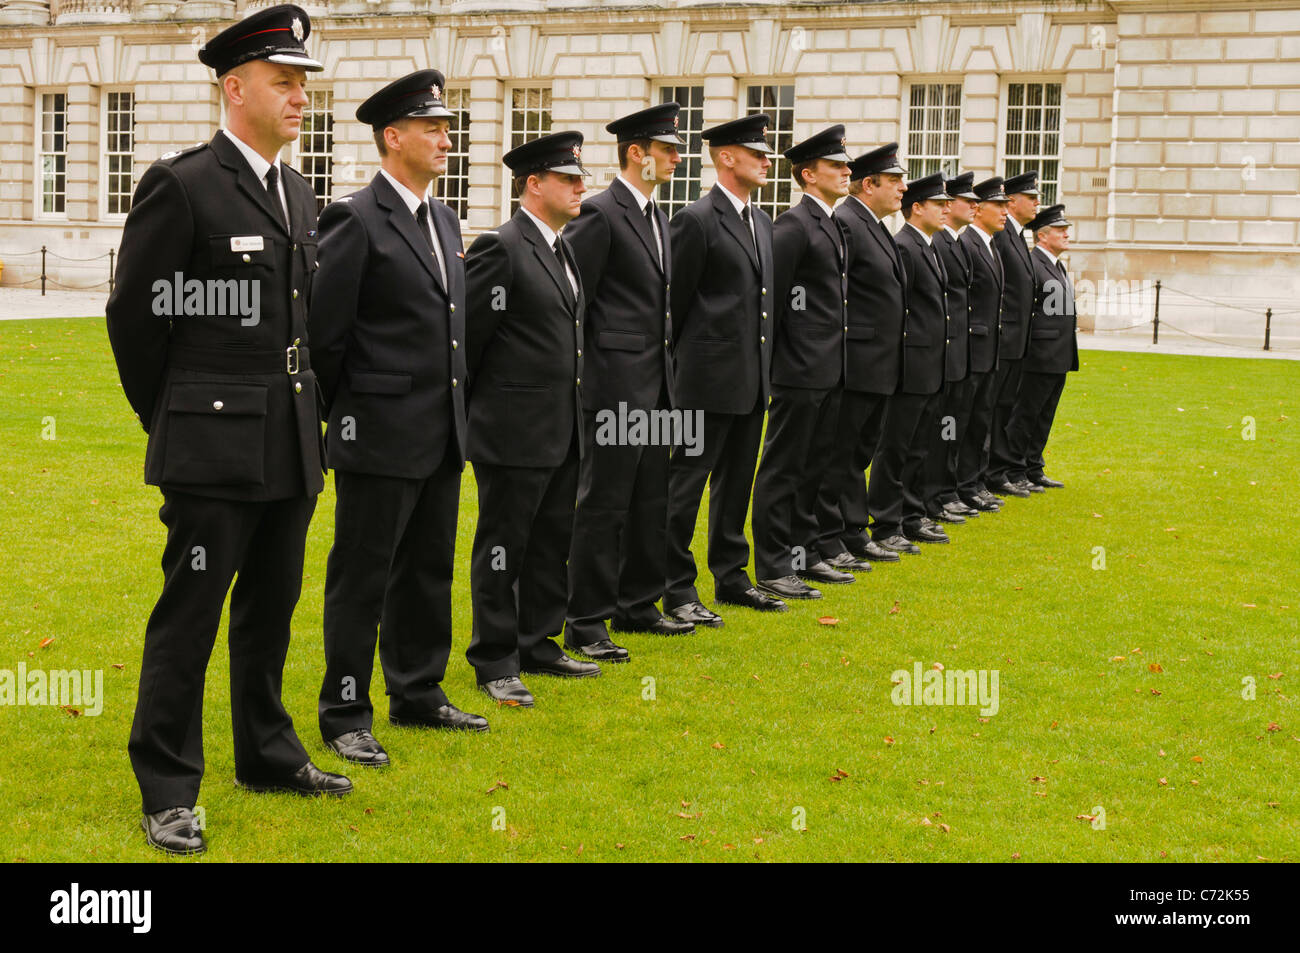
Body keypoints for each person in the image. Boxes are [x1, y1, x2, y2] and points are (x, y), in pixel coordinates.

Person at [105, 4, 348, 856]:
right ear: (233, 87)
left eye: (303, 85)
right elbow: (137, 318)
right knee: (192, 614)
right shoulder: (185, 184)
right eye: (284, 83)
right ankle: (168, 787)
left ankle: (269, 753)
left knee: (271, 608)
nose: (299, 99)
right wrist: (171, 418)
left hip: (287, 438)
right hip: (212, 448)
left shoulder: (297, 190)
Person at [310, 70, 486, 770]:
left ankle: (418, 689)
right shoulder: (355, 217)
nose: (447, 138)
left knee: (427, 572)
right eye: (433, 128)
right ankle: (346, 711)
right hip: (376, 434)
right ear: (393, 136)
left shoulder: (443, 218)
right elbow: (327, 339)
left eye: (447, 127)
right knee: (362, 578)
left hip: (440, 431)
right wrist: (345, 421)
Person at [464, 131, 600, 708]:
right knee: (504, 546)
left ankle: (538, 640)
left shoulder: (562, 247)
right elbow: (468, 341)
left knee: (550, 541)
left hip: (562, 424)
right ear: (533, 183)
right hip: (512, 429)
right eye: (568, 179)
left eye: (580, 178)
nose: (580, 188)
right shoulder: (502, 245)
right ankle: (495, 657)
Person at [561, 103, 691, 664]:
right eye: (666, 149)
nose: (677, 157)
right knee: (604, 505)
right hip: (614, 386)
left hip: (658, 383)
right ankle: (586, 620)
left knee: (650, 499)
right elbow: (576, 305)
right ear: (636, 153)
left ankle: (639, 604)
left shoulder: (658, 214)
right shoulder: (600, 212)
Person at [664, 114, 785, 625]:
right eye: (757, 153)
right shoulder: (695, 219)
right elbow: (675, 306)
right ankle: (674, 587)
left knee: (736, 484)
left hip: (751, 379)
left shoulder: (761, 222)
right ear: (726, 157)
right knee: (684, 487)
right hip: (703, 382)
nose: (767, 161)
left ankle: (733, 578)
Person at [752, 125, 858, 602]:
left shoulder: (833, 223)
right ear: (808, 174)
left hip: (829, 369)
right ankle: (774, 565)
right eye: (837, 166)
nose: (846, 171)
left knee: (816, 466)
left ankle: (804, 553)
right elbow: (771, 305)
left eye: (845, 165)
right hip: (797, 371)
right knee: (783, 469)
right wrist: (778, 366)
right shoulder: (793, 226)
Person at [813, 144, 908, 566]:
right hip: (856, 360)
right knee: (841, 455)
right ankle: (830, 536)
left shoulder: (873, 224)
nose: (903, 188)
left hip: (877, 361)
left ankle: (852, 529)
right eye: (895, 181)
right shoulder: (849, 221)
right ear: (869, 185)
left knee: (857, 453)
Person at [871, 172, 951, 551]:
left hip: (929, 364)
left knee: (920, 445)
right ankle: (887, 524)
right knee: (896, 448)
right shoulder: (905, 245)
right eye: (939, 204)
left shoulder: (928, 245)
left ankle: (911, 514)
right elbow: (900, 310)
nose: (947, 209)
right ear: (917, 208)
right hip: (911, 365)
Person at [1006, 204, 1077, 489]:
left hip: (1058, 355)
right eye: (1061, 230)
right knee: (1026, 415)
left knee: (1043, 416)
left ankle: (1034, 466)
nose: (1067, 235)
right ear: (1042, 236)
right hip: (1038, 356)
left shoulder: (1055, 264)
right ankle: (1015, 469)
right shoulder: (1034, 263)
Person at [924, 171, 980, 525]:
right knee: (938, 429)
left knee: (950, 427)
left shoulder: (953, 241)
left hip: (957, 349)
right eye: (965, 201)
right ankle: (936, 495)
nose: (970, 207)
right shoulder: (940, 242)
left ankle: (944, 491)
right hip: (942, 351)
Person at [956, 176, 1011, 514]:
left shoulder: (990, 244)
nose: (1005, 212)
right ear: (978, 211)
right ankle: (962, 486)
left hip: (989, 349)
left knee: (981, 420)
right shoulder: (968, 244)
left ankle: (974, 483)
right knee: (963, 423)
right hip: (973, 349)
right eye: (999, 206)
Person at [987, 169, 1042, 498]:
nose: (1037, 203)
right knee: (993, 410)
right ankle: (991, 472)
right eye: (1031, 198)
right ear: (1012, 200)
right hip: (1003, 340)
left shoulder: (1017, 234)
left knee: (1004, 407)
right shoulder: (1003, 234)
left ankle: (998, 469)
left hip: (1015, 342)